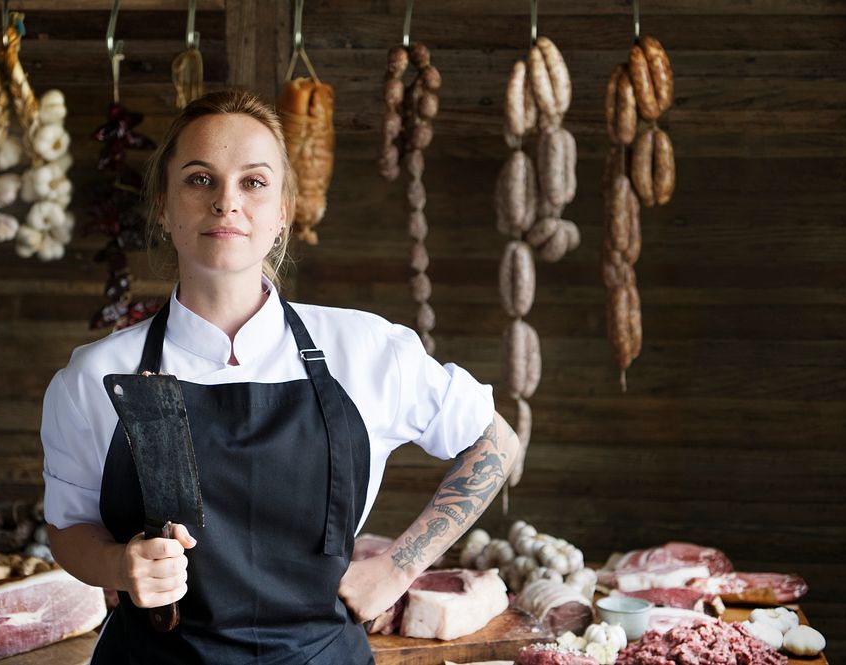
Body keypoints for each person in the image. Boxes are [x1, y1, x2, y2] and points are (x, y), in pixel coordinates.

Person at [41, 89, 521, 665]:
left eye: (253, 182)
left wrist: (399, 567)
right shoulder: (92, 377)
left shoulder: (366, 349)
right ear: (164, 208)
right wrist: (120, 564)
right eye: (199, 179)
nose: (226, 202)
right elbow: (69, 531)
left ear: (283, 211)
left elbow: (495, 440)